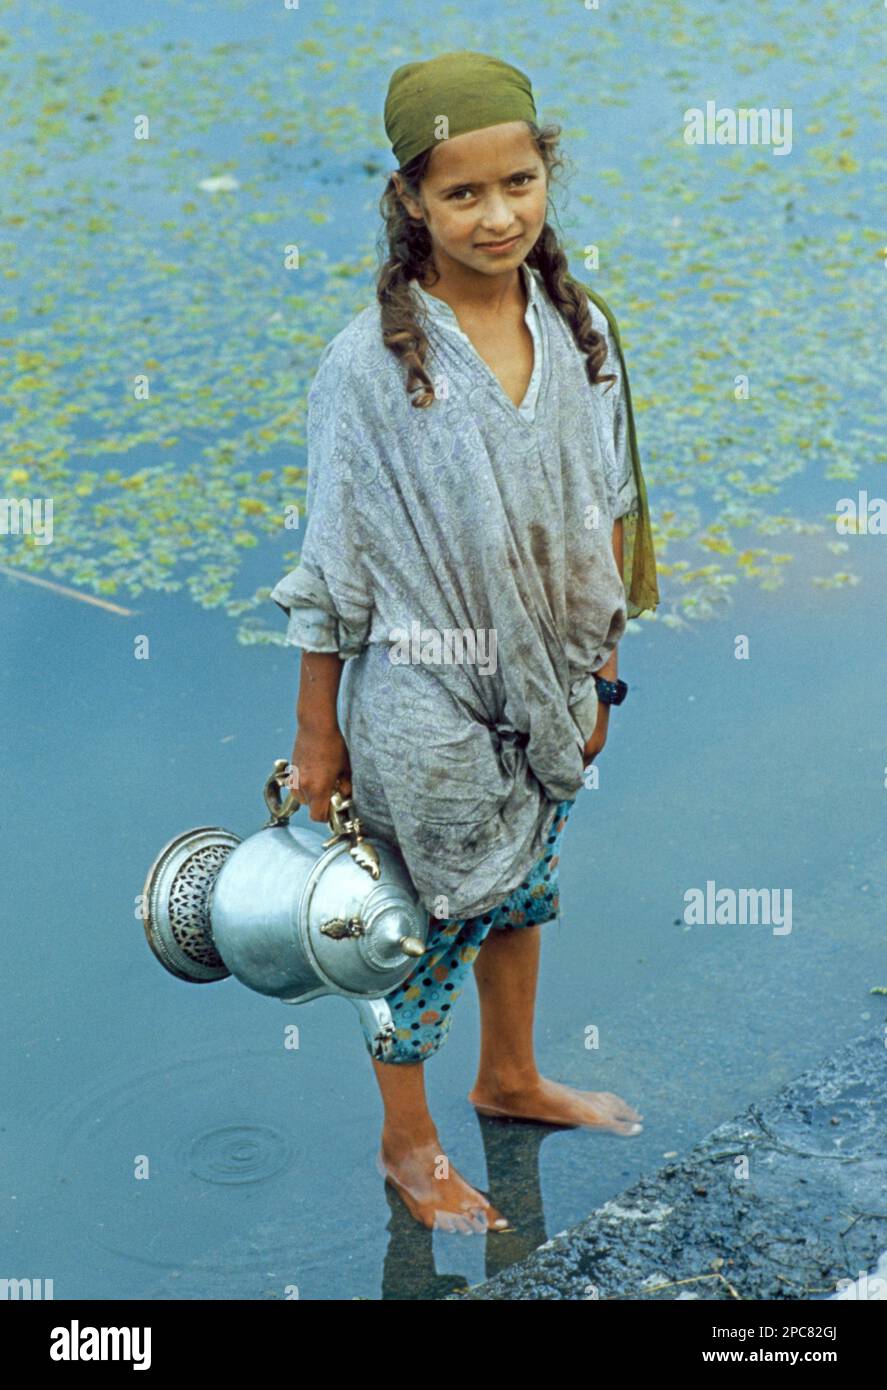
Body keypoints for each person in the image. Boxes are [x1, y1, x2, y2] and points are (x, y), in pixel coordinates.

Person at [269, 50, 659, 1235]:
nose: (496, 215)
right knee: (411, 925)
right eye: (461, 194)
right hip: (425, 703)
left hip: (544, 681)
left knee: (526, 891)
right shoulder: (369, 367)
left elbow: (605, 510)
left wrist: (598, 670)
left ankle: (508, 1077)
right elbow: (331, 567)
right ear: (409, 202)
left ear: (548, 174)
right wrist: (315, 737)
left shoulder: (575, 323)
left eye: (518, 183)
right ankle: (408, 1141)